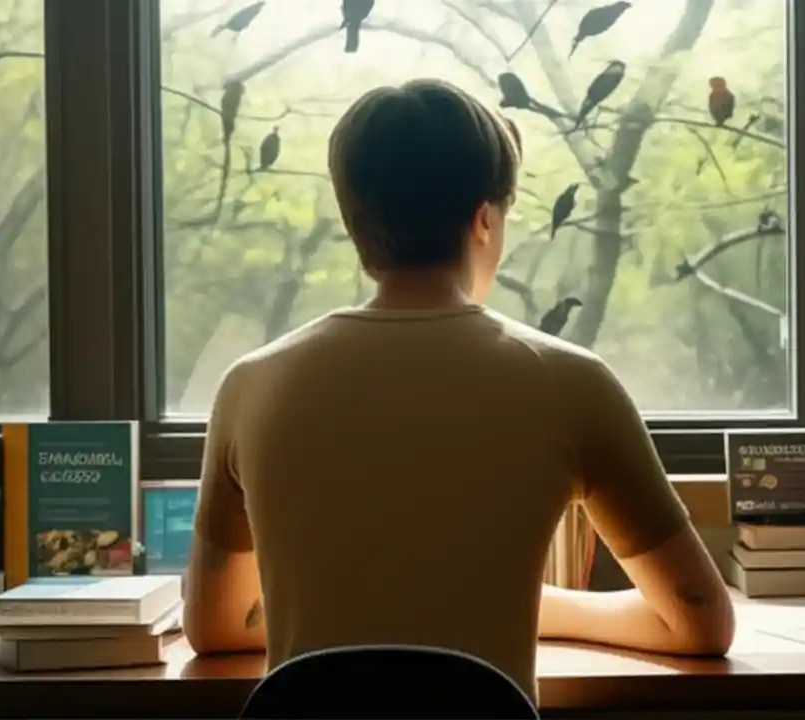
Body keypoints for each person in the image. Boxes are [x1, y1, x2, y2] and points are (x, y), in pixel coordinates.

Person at [183, 78, 735, 704]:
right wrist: (529, 605)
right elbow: (696, 619)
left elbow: (213, 627)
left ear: (353, 219)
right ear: (483, 219)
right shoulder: (568, 381)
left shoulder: (251, 385)